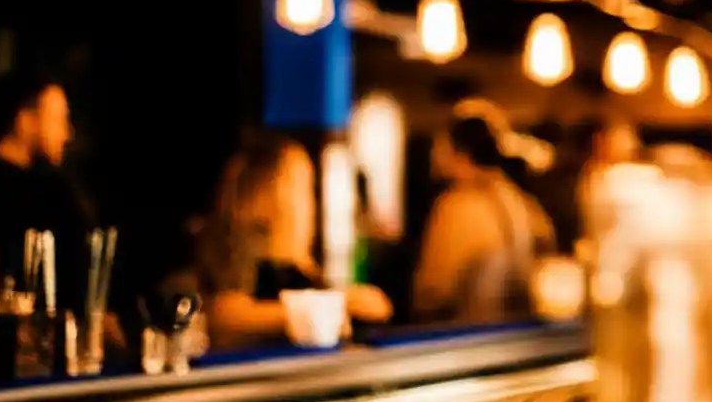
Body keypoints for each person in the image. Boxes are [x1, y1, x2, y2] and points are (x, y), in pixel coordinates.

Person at [198, 136, 391, 350]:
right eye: (297, 187)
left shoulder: (297, 271)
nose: (309, 206)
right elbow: (224, 319)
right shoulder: (234, 261)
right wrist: (324, 309)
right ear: (259, 195)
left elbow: (376, 306)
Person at [0, 75, 95, 310]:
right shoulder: (42, 194)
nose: (66, 133)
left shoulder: (46, 188)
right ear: (25, 120)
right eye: (58, 120)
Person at [415, 115, 556, 324]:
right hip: (519, 335)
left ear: (457, 152)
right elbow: (548, 252)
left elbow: (433, 291)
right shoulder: (520, 200)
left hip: (467, 337)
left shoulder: (457, 205)